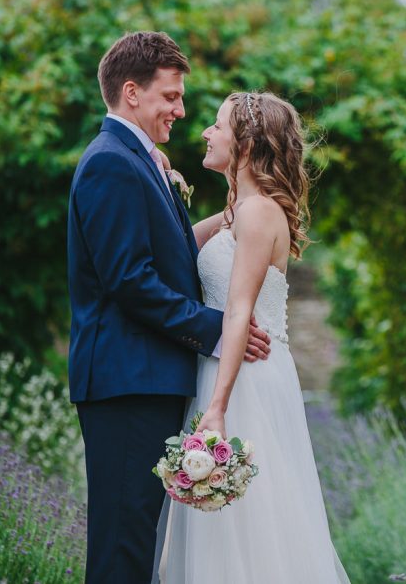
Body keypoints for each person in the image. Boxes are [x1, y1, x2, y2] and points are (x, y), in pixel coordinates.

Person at [67, 31, 271, 583]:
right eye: (171, 96)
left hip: (145, 381)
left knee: (138, 546)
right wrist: (219, 330)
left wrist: (241, 214)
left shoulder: (140, 160)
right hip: (127, 384)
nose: (180, 110)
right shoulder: (111, 163)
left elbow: (171, 253)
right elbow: (130, 281)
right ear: (131, 92)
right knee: (122, 551)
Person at [153, 92, 350, 583]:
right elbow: (177, 247)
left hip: (243, 381)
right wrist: (162, 178)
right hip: (225, 370)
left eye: (217, 126)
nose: (206, 133)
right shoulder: (238, 211)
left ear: (245, 143)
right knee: (224, 532)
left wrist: (217, 407)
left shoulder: (258, 211)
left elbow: (239, 308)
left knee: (252, 528)